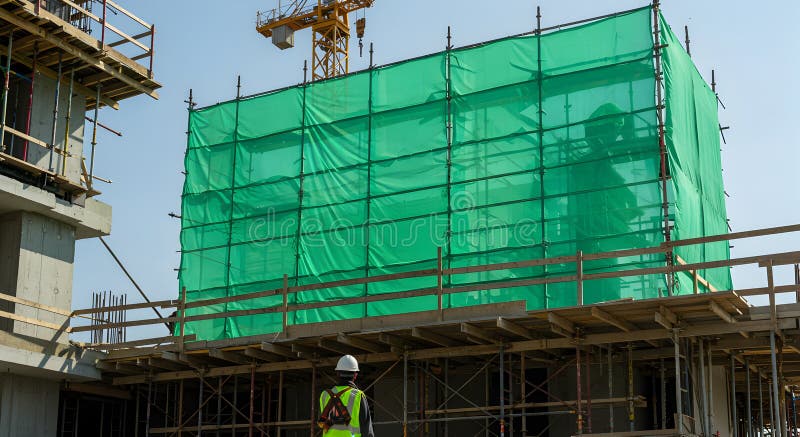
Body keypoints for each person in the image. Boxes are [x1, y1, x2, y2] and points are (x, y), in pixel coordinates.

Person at [318, 355, 374, 437]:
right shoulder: (358, 396)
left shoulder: (325, 395)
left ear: (337, 373)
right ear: (355, 375)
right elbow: (366, 430)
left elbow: (321, 423)